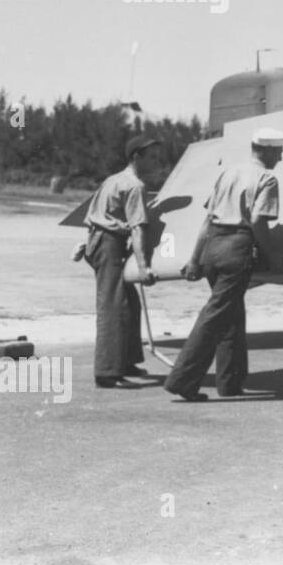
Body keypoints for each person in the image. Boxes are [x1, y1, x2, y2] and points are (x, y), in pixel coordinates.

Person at [164, 128, 283, 401]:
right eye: (279, 151)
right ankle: (182, 381)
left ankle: (229, 382)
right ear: (265, 150)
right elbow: (257, 221)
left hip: (212, 248)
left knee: (231, 315)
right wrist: (274, 254)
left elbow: (207, 219)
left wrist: (195, 259)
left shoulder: (227, 173)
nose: (281, 156)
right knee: (216, 316)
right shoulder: (267, 178)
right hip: (236, 249)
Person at [84, 134, 160, 388]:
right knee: (113, 307)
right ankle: (106, 372)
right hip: (109, 245)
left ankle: (125, 361)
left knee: (129, 304)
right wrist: (143, 267)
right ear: (136, 157)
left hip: (101, 242)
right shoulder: (135, 186)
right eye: (151, 156)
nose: (156, 161)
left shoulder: (113, 179)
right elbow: (138, 229)